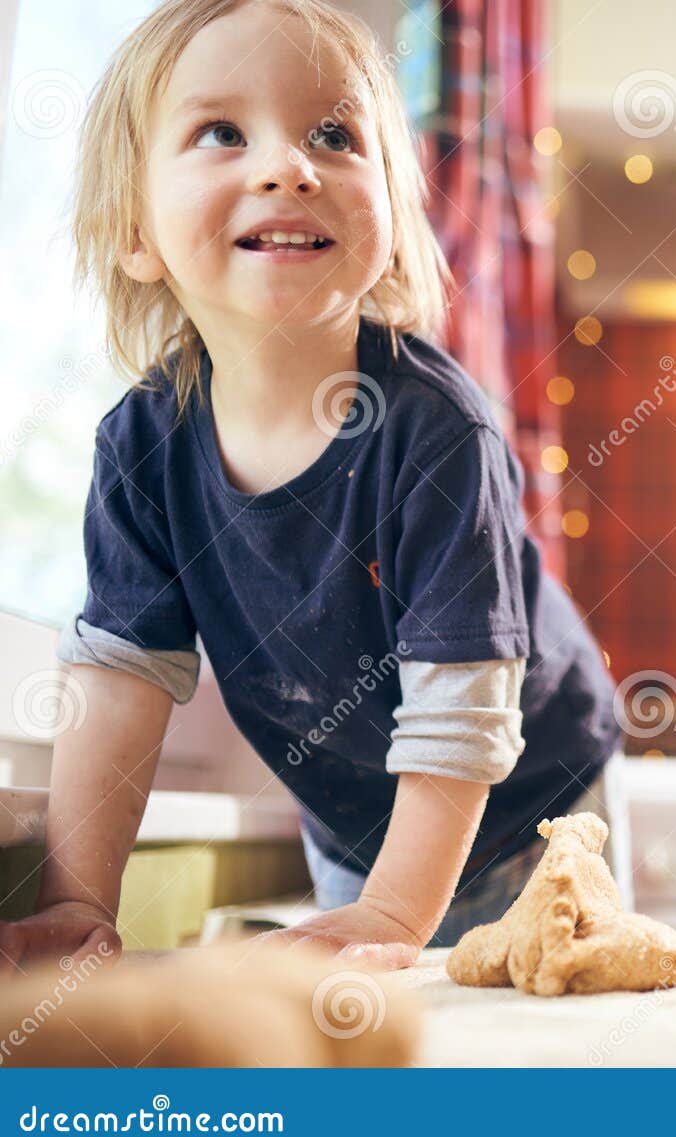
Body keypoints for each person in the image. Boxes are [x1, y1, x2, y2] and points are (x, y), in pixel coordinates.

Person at [0, 0, 619, 975]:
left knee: (540, 1033)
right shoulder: (141, 448)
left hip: (534, 806)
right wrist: (80, 901)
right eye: (221, 132)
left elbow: (462, 710)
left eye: (333, 134)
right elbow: (120, 680)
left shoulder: (433, 431)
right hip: (354, 823)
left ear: (390, 215)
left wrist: (392, 915)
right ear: (135, 232)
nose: (288, 166)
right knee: (370, 1048)